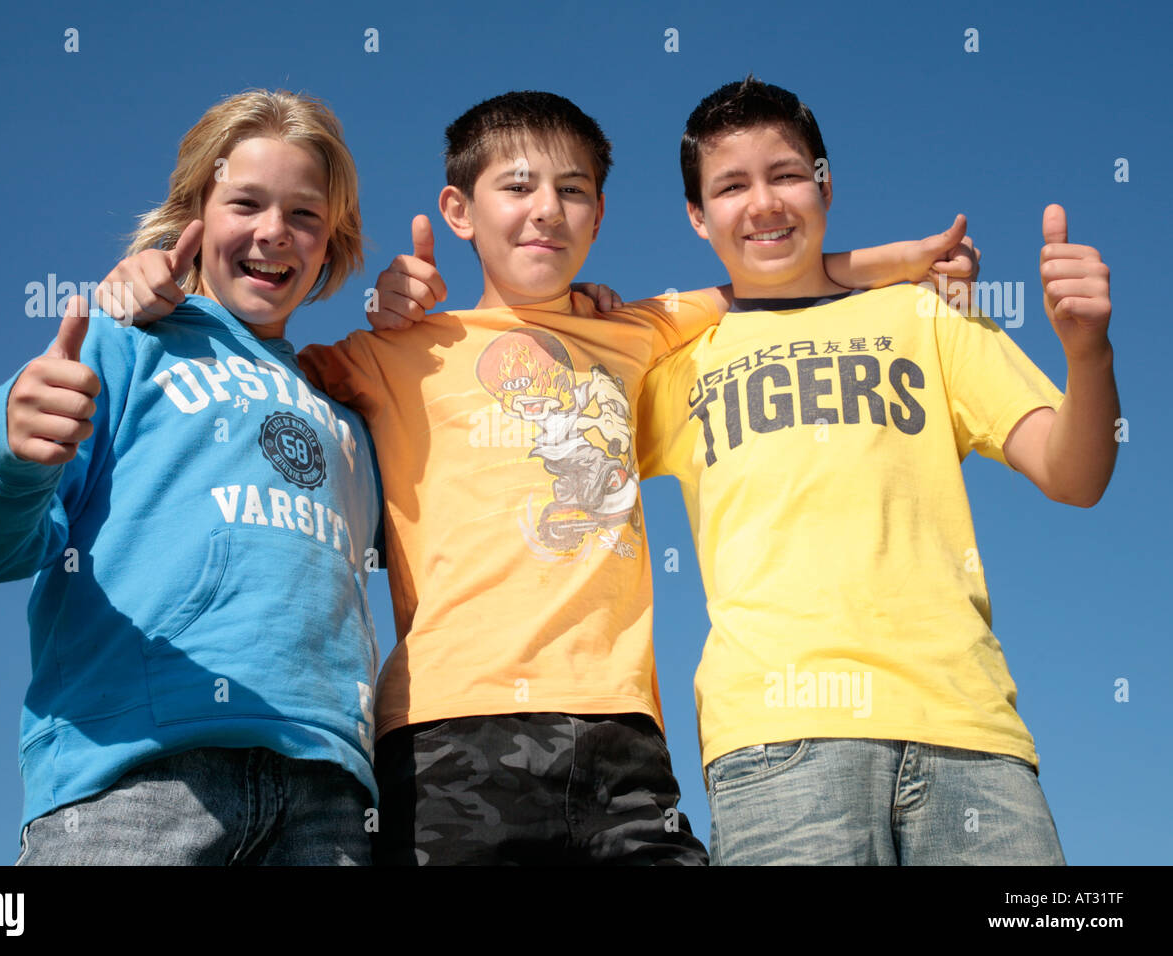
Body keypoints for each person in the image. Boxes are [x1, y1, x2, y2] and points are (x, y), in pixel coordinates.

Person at [106, 89, 975, 865]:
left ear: (599, 216)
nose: (545, 212)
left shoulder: (636, 332)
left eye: (572, 191)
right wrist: (159, 280)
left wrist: (913, 261)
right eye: (516, 187)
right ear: (458, 209)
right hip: (447, 736)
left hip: (624, 737)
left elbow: (767, 280)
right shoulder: (387, 353)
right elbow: (259, 369)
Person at [636, 75, 1117, 865]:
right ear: (697, 216)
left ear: (825, 182)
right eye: (730, 186)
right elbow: (574, 336)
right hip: (777, 743)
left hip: (972, 734)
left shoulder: (925, 314)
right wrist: (875, 259)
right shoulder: (677, 358)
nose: (763, 204)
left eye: (787, 174)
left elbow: (1076, 476)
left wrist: (1088, 351)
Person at [0, 89, 383, 865]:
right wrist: (5, 441)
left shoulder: (350, 414)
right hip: (133, 777)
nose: (272, 233)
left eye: (304, 215)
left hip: (327, 797)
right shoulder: (124, 346)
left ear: (334, 244)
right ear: (193, 212)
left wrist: (421, 343)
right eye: (246, 203)